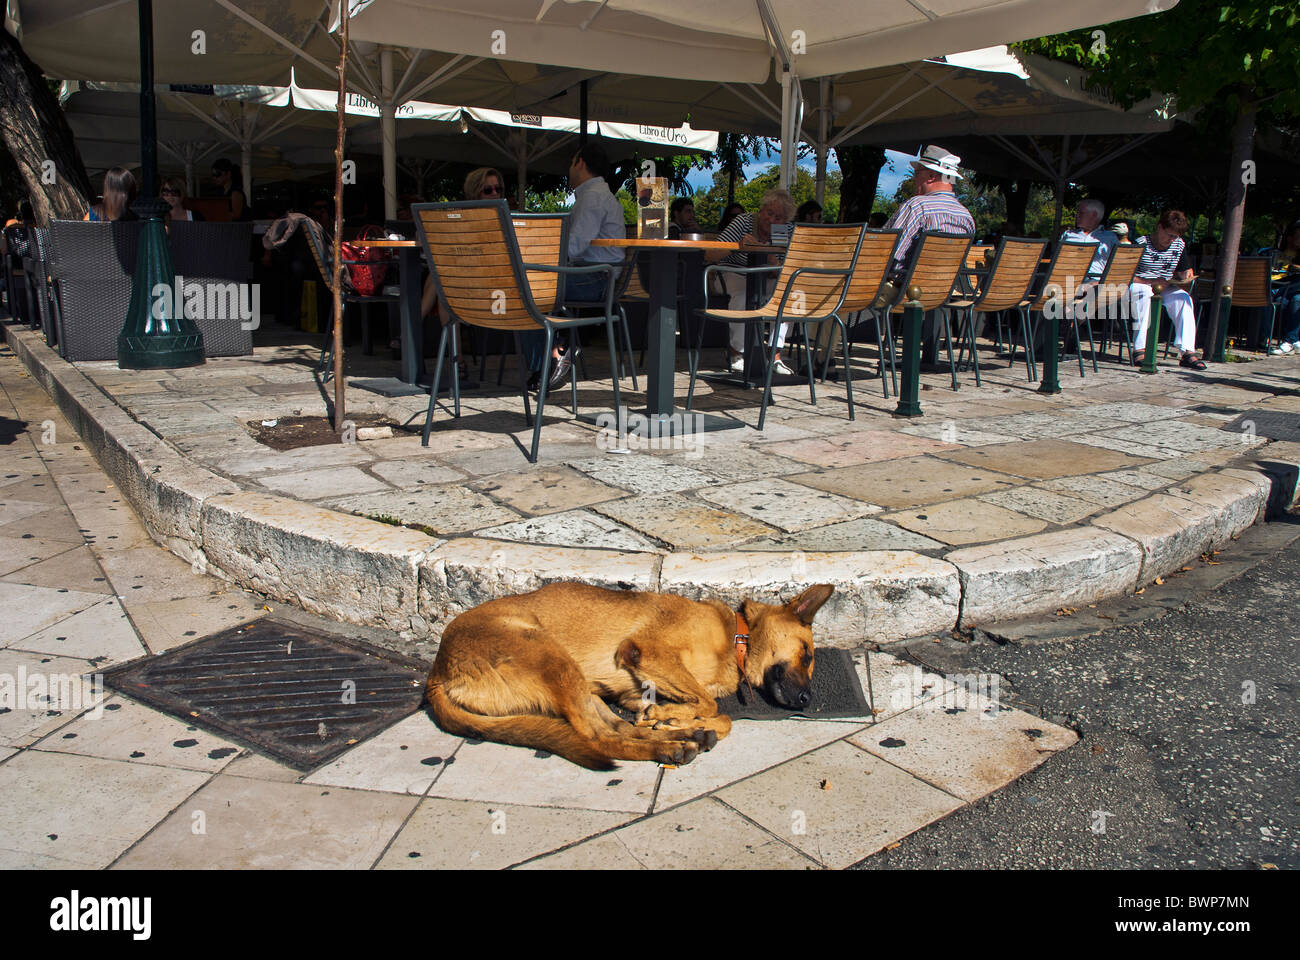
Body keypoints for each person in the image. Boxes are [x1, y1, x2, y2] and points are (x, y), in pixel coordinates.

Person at [533, 142, 624, 390]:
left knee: (530, 286)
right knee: (535, 283)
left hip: (596, 280)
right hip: (598, 276)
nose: (569, 169)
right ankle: (563, 342)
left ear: (580, 163)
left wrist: (538, 259)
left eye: (571, 162)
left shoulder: (593, 198)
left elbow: (573, 248)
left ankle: (551, 355)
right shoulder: (595, 195)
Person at [705, 188, 796, 374]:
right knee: (745, 295)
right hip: (732, 273)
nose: (771, 220)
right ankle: (736, 353)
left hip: (766, 275)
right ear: (761, 210)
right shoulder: (744, 222)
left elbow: (788, 268)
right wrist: (738, 246)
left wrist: (774, 261)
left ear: (785, 220)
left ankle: (775, 355)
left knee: (790, 295)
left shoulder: (787, 231)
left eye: (778, 217)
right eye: (769, 213)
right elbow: (710, 254)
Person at [1128, 209, 1202, 369]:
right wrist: (1150, 281)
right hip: (1140, 283)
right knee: (1145, 294)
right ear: (1160, 227)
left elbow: (1182, 270)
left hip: (1165, 285)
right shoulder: (1140, 243)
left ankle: (1188, 350)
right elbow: (1126, 275)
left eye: (1175, 236)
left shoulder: (1179, 245)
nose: (1171, 239)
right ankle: (1140, 349)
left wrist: (1185, 274)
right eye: (1169, 235)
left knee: (1184, 299)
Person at [883, 145, 974, 271]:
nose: (914, 178)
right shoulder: (966, 217)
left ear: (931, 176)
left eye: (917, 173)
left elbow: (886, 254)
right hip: (942, 287)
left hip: (903, 287)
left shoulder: (917, 207)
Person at [1270, 220, 1300, 353]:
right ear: (1290, 237)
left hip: (1291, 287)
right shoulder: (1275, 252)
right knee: (1294, 300)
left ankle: (1289, 340)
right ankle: (1292, 341)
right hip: (1277, 285)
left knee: (1296, 300)